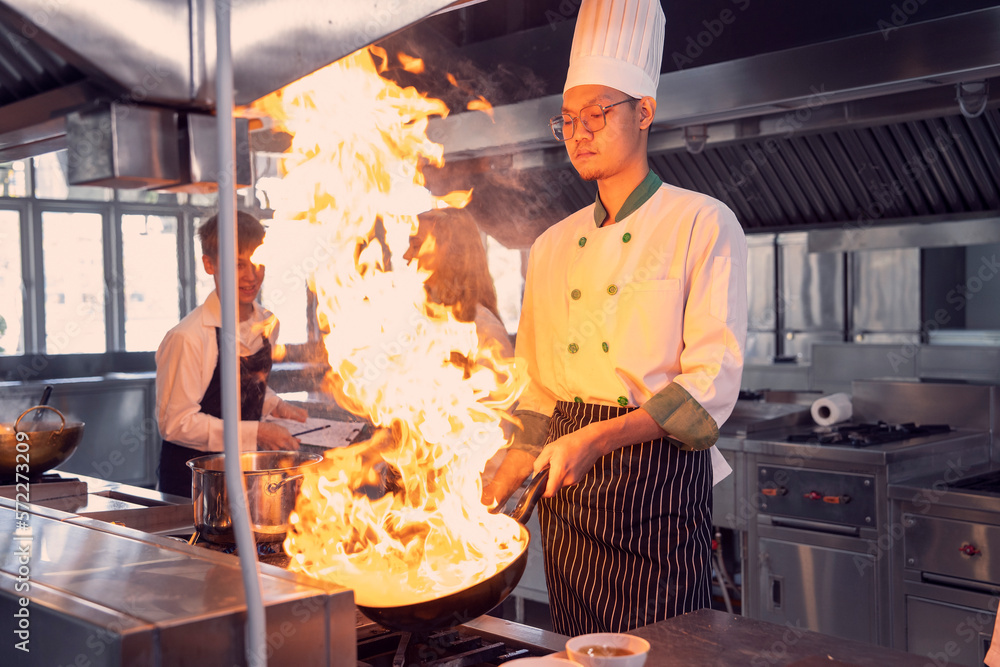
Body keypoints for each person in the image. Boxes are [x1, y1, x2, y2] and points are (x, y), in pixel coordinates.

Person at [482, 0, 748, 636]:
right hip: (566, 488)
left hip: (653, 476)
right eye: (568, 120)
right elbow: (540, 385)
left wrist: (599, 439)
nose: (579, 132)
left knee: (662, 645)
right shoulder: (549, 246)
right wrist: (519, 453)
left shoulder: (701, 222)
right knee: (578, 642)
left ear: (645, 112)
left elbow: (709, 387)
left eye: (597, 113)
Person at [155, 211, 307, 498]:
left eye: (258, 264)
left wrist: (272, 404)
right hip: (191, 487)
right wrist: (257, 433)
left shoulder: (267, 324)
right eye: (238, 265)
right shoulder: (188, 337)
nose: (252, 276)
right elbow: (176, 424)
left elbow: (238, 384)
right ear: (209, 264)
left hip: (245, 477)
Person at [403, 207, 514, 360]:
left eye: (416, 246)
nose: (406, 255)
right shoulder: (414, 319)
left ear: (451, 252)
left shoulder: (484, 331)